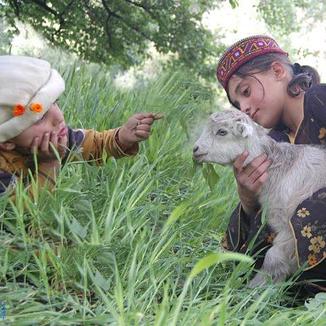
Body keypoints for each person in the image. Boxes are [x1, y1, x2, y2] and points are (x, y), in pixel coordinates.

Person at [216, 35, 326, 296]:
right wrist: (248, 198)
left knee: (306, 207)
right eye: (237, 105)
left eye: (245, 92)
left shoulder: (320, 100)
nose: (244, 108)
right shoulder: (271, 145)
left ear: (277, 71)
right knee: (264, 223)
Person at [0, 55, 161, 199]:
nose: (59, 118)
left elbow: (94, 145)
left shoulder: (57, 138)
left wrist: (122, 137)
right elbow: (19, 213)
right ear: (6, 141)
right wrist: (49, 165)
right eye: (40, 117)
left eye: (55, 102)